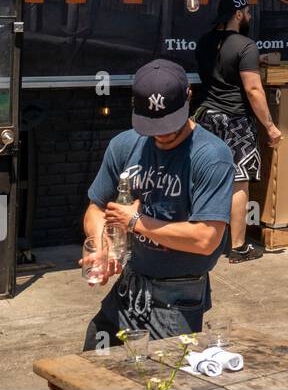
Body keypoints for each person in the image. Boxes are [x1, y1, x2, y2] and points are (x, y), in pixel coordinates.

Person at [81, 59, 234, 350]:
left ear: (189, 96)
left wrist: (135, 222)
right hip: (130, 285)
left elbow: (206, 239)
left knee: (164, 373)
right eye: (152, 125)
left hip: (178, 294)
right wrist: (101, 245)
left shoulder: (211, 155)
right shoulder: (124, 145)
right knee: (93, 357)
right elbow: (96, 208)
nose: (162, 133)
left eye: (169, 124)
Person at [194, 0, 281, 263]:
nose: (250, 17)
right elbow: (253, 90)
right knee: (238, 181)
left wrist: (256, 59)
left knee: (206, 180)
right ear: (238, 14)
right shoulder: (245, 45)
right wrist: (270, 126)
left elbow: (224, 67)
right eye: (247, 12)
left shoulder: (204, 42)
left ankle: (205, 239)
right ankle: (239, 246)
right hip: (236, 121)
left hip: (206, 118)